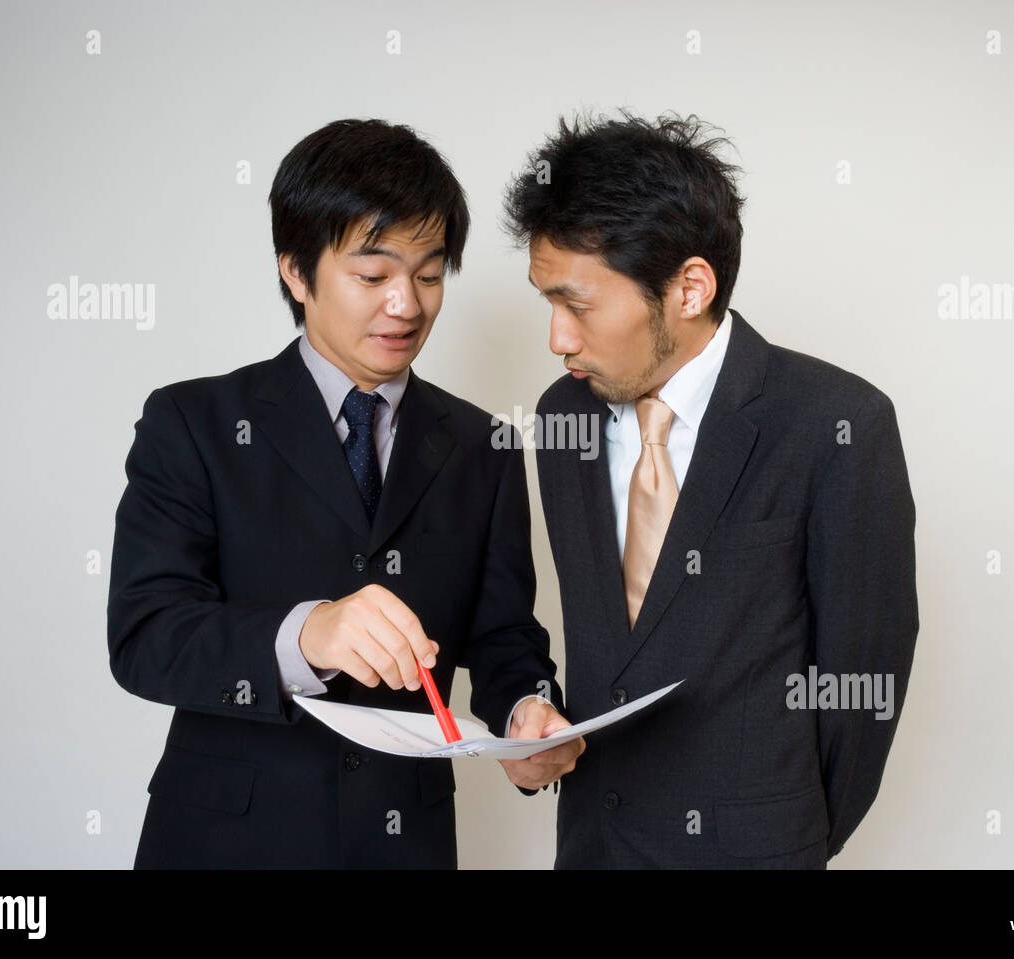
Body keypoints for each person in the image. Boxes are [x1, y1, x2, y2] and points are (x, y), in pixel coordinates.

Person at [108, 118, 581, 869]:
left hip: (406, 844)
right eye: (372, 276)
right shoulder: (193, 423)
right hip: (225, 844)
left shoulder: (484, 446)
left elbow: (504, 637)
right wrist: (307, 634)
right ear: (297, 272)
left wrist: (530, 710)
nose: (406, 305)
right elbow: (146, 637)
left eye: (429, 276)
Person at [501, 111, 919, 868]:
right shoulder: (563, 415)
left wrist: (789, 841)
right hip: (593, 845)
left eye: (579, 304)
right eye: (547, 303)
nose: (557, 338)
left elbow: (861, 682)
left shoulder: (837, 423)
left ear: (690, 287)